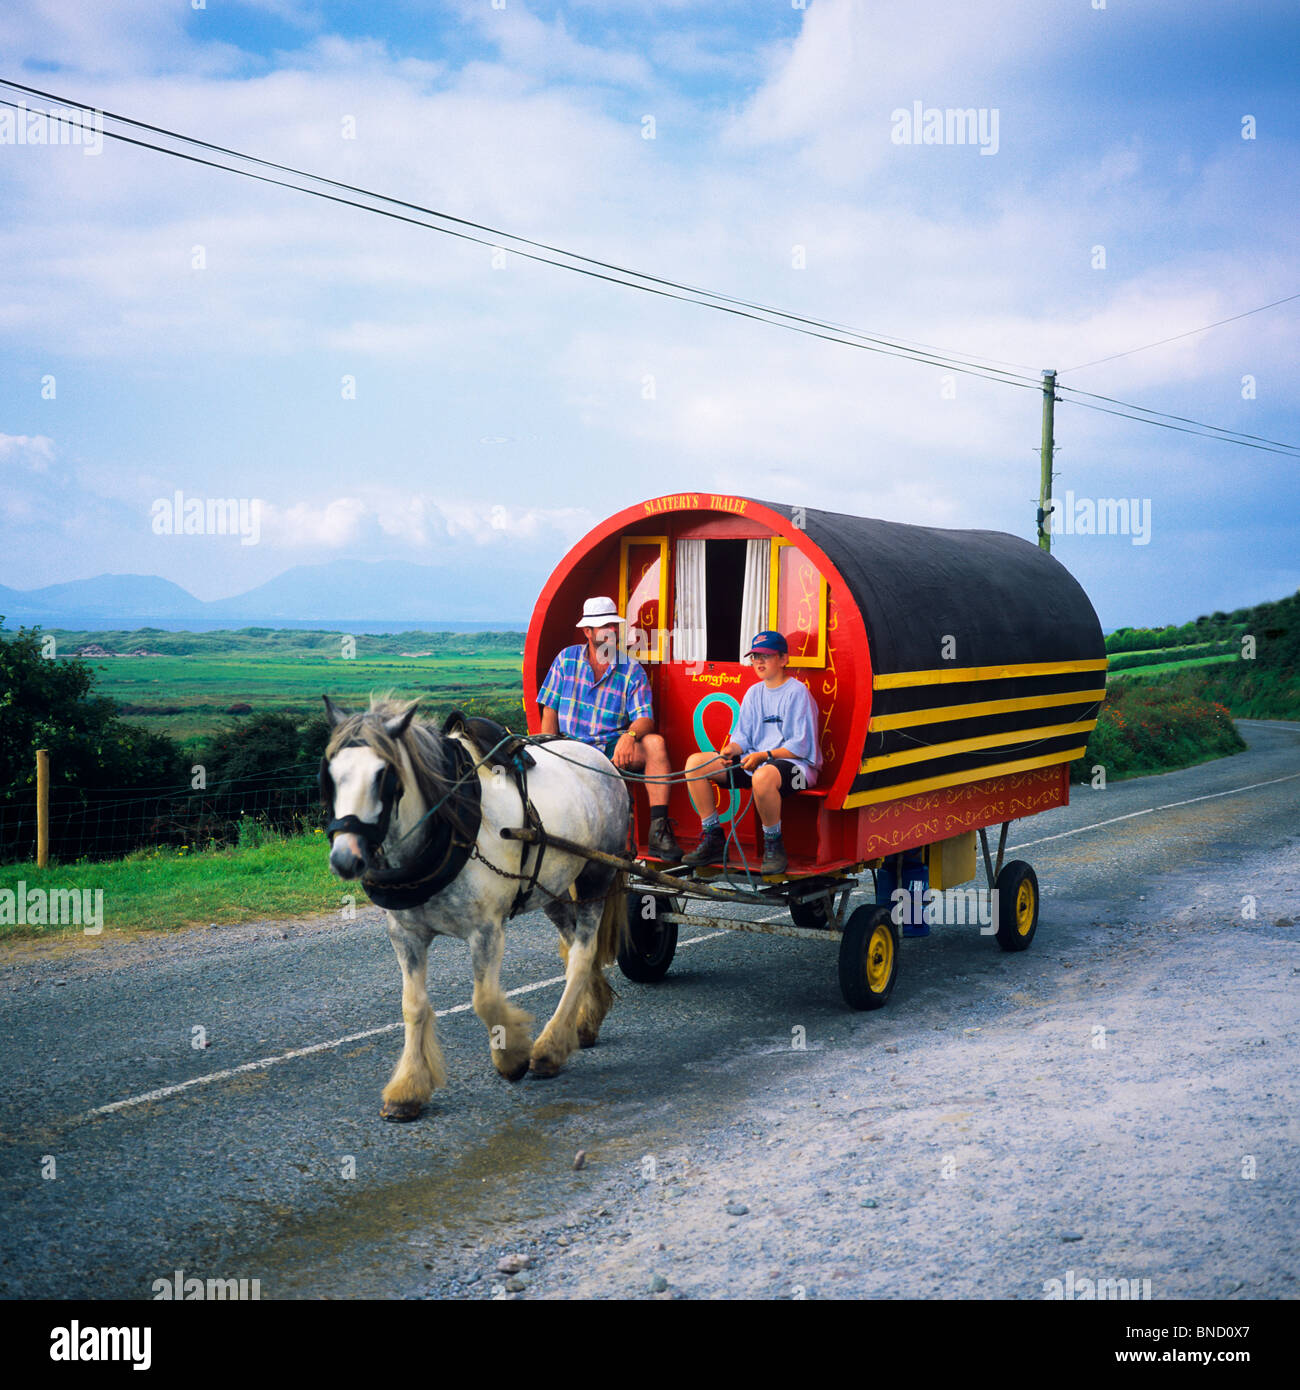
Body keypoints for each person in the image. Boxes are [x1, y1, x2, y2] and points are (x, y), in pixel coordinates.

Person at [536, 595, 682, 862]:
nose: (613, 631)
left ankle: (658, 831)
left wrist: (630, 735)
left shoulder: (631, 669)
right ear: (588, 632)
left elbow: (645, 718)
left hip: (611, 750)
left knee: (655, 743)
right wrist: (548, 752)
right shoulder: (566, 659)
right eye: (606, 626)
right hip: (571, 748)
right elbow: (550, 710)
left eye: (615, 625)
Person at [681, 630, 822, 875]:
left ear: (783, 659)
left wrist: (763, 756)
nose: (759, 661)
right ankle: (713, 835)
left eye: (765, 656)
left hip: (797, 769)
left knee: (763, 776)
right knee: (696, 763)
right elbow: (743, 737)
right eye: (755, 656)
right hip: (756, 763)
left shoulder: (797, 692)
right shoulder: (753, 693)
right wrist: (731, 749)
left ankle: (773, 844)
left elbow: (800, 746)